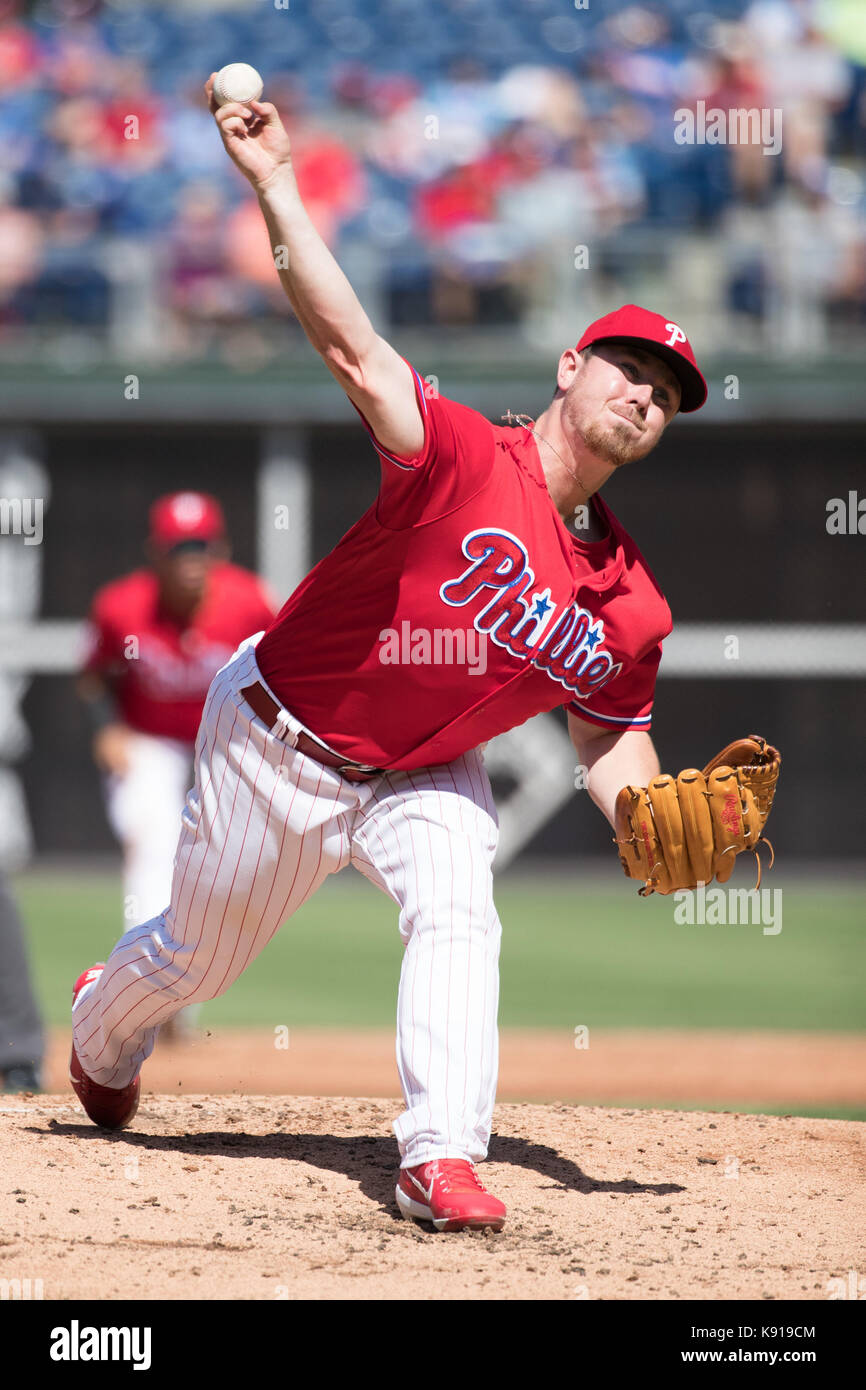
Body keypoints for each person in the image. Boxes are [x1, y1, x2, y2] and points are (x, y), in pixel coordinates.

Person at [68, 79, 707, 1234]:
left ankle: (437, 1154)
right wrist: (272, 183)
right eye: (627, 369)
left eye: (663, 396)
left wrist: (641, 813)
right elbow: (355, 350)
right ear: (570, 366)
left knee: (460, 908)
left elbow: (608, 727)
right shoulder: (463, 456)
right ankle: (99, 1021)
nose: (643, 396)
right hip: (281, 736)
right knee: (194, 963)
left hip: (421, 771)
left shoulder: (630, 603)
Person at [77, 491, 277, 1039]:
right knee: (151, 840)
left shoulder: (249, 602)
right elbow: (94, 675)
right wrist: (107, 727)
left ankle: (181, 984)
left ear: (220, 548)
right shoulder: (122, 606)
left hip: (225, 743)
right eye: (178, 546)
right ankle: (150, 995)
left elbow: (284, 670)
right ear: (155, 552)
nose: (191, 556)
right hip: (151, 740)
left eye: (201, 545)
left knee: (227, 859)